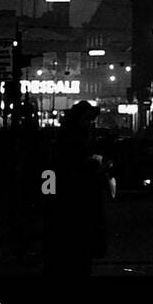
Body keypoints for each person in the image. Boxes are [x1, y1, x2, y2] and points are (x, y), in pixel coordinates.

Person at [43, 101, 109, 276]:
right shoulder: (74, 142)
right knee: (77, 253)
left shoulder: (67, 139)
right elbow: (59, 171)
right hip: (75, 202)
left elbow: (49, 173)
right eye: (88, 119)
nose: (90, 123)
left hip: (70, 202)